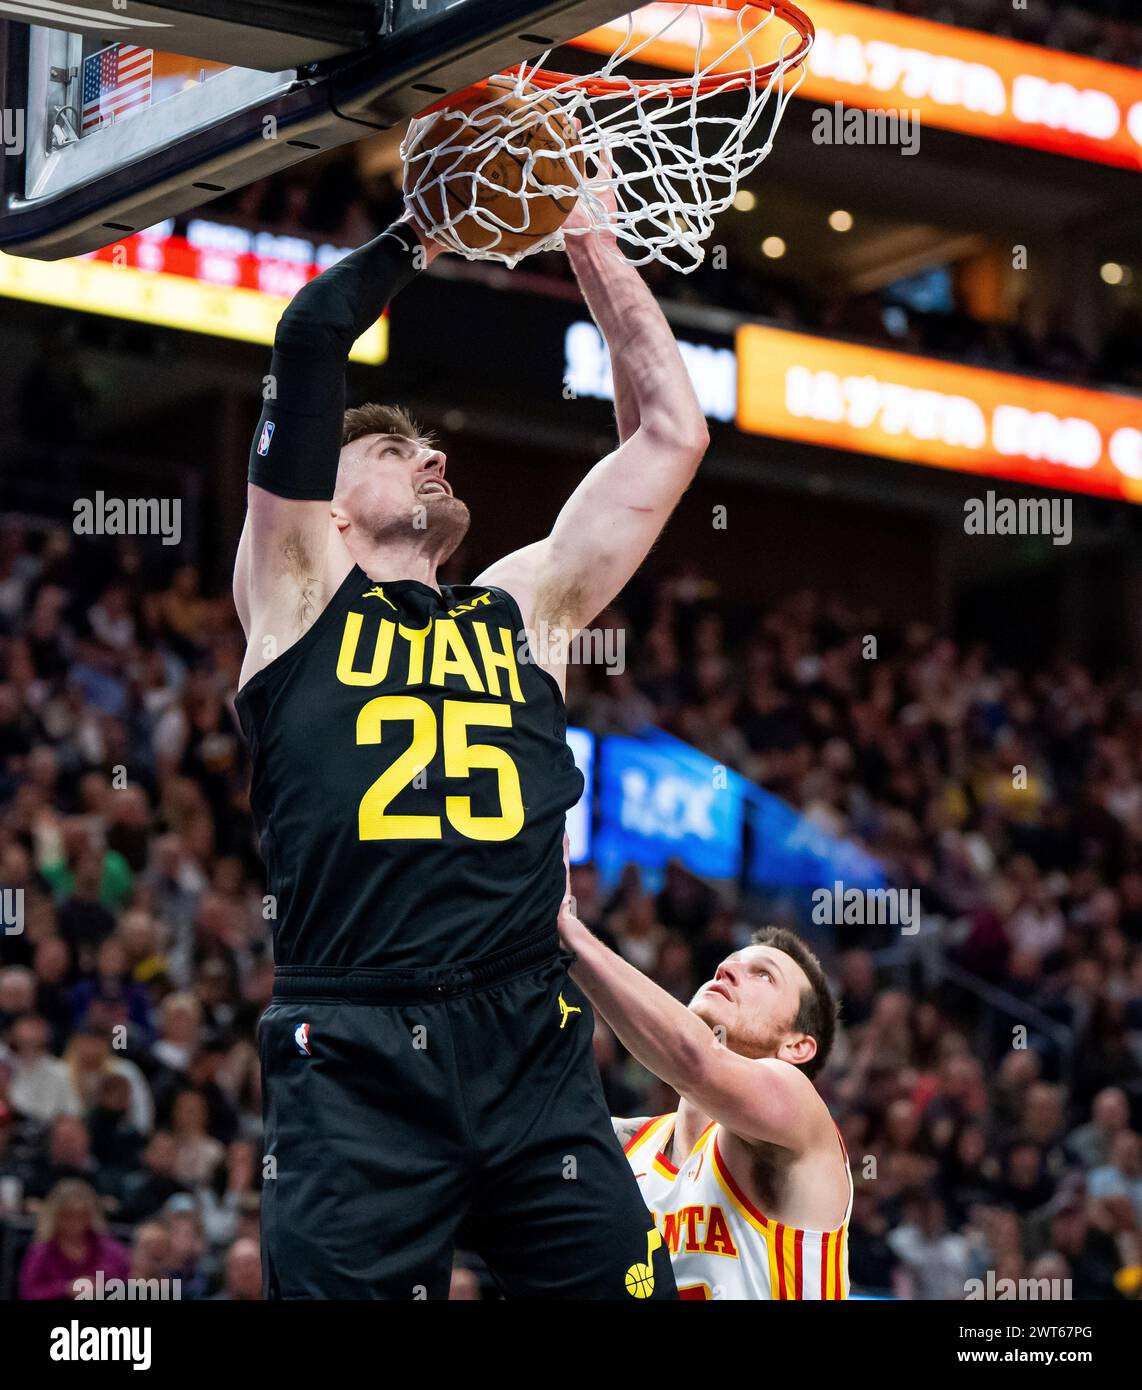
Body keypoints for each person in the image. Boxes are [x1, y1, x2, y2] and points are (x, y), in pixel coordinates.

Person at [232, 177, 708, 1298]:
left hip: (525, 1038)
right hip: (353, 1044)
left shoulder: (524, 607)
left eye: (429, 444)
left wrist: (582, 228)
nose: (430, 455)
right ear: (328, 509)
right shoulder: (298, 592)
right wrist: (432, 221)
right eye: (395, 449)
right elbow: (309, 335)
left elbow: (672, 431)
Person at [556, 880, 852, 1300]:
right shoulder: (631, 1144)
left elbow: (696, 1062)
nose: (725, 970)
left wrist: (566, 932)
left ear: (797, 1045)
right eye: (729, 963)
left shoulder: (799, 1109)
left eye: (763, 976)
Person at [18, 1178, 130, 1300]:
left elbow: (128, 1286)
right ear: (54, 1216)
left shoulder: (112, 1250)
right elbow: (28, 1293)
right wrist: (66, 1288)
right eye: (67, 1216)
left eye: (82, 1215)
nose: (75, 1223)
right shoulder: (41, 1251)